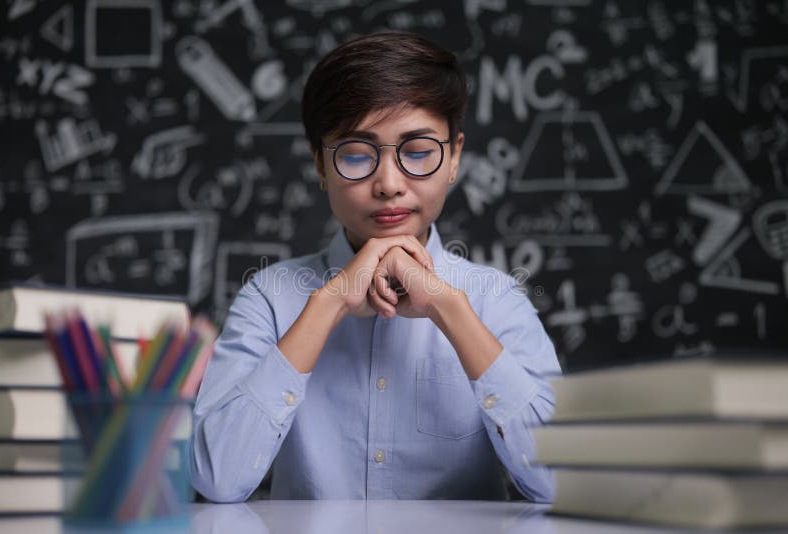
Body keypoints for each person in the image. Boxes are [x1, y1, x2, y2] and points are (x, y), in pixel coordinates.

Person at [190, 30, 561, 502]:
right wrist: (328, 303)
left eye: (419, 152)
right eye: (357, 155)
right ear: (320, 166)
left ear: (454, 158)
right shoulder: (269, 297)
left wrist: (450, 310)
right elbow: (216, 479)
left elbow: (560, 479)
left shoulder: (496, 300)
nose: (388, 184)